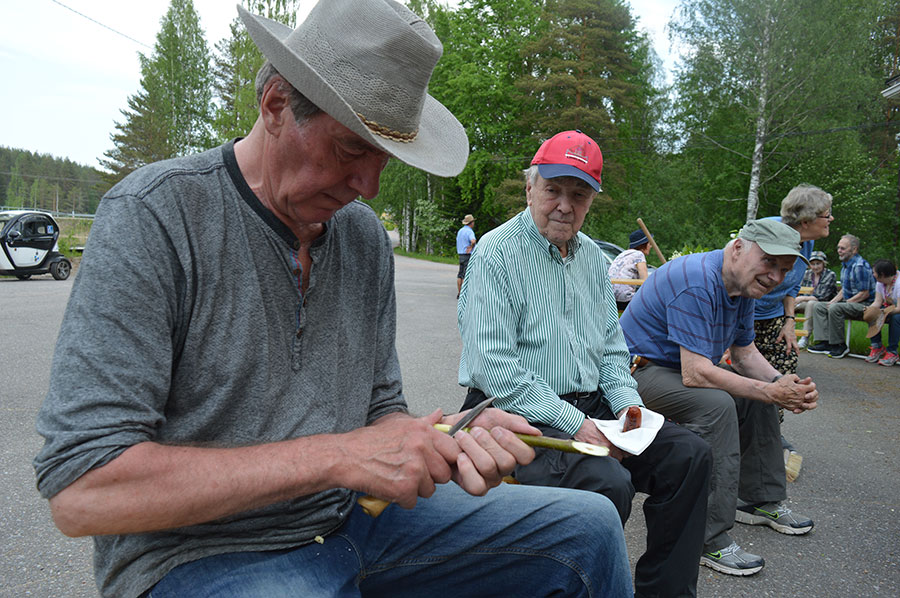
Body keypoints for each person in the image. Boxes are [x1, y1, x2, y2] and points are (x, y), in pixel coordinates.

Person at [32, 3, 633, 598]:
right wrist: (336, 458)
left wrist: (453, 432)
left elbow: (381, 414)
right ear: (275, 106)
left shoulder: (362, 237)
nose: (368, 187)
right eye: (351, 149)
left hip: (360, 522)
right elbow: (83, 490)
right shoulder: (155, 218)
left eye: (384, 158)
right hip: (201, 552)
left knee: (590, 529)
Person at [457, 130, 712, 598]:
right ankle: (576, 587)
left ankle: (665, 593)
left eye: (579, 194)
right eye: (553, 189)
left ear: (591, 199)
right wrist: (578, 426)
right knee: (607, 484)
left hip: (590, 407)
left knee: (689, 456)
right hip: (516, 414)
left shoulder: (594, 258)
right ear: (529, 186)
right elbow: (495, 368)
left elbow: (612, 349)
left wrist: (628, 411)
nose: (564, 205)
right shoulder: (495, 253)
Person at [620, 219, 818, 577]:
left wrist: (782, 384)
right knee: (718, 405)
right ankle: (706, 537)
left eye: (784, 270)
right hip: (634, 374)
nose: (775, 276)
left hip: (674, 370)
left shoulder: (741, 287)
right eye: (769, 262)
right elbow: (695, 373)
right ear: (739, 248)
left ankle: (762, 497)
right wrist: (769, 389)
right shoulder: (696, 278)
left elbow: (744, 354)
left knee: (758, 396)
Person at [751, 184, 832, 480]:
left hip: (774, 315)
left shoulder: (806, 242)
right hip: (746, 312)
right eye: (827, 215)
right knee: (747, 375)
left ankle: (771, 439)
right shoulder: (768, 232)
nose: (830, 220)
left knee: (785, 368)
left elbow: (791, 284)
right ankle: (751, 443)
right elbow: (741, 277)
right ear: (807, 220)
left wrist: (789, 320)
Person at [807, 234, 876, 358]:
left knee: (836, 308)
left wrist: (843, 303)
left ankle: (839, 345)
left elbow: (864, 293)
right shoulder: (846, 266)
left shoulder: (859, 266)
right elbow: (844, 289)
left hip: (865, 305)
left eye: (843, 248)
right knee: (819, 306)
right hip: (851, 302)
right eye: (838, 248)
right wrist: (832, 301)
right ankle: (825, 342)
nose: (839, 250)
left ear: (854, 249)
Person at [796, 250, 838, 349]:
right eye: (812, 264)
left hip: (824, 302)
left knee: (811, 304)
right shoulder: (806, 274)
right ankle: (788, 334)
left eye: (818, 264)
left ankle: (805, 337)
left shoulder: (830, 275)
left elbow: (822, 296)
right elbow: (798, 288)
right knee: (789, 303)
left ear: (824, 264)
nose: (815, 267)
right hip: (806, 301)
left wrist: (801, 298)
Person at [864, 259, 900, 366]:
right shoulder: (880, 283)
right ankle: (877, 346)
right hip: (889, 309)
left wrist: (883, 312)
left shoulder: (898, 283)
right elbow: (877, 301)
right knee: (872, 314)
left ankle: (892, 352)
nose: (873, 274)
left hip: (897, 310)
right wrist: (870, 309)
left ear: (882, 274)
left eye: (874, 272)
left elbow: (899, 308)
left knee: (896, 318)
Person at [608, 228, 652, 311]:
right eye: (649, 243)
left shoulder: (622, 254)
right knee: (652, 304)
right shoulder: (639, 255)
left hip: (610, 298)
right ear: (644, 244)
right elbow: (645, 282)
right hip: (624, 299)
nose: (651, 246)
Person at [456, 214, 476, 298]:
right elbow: (473, 240)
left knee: (460, 274)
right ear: (471, 223)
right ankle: (464, 293)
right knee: (465, 274)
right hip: (467, 254)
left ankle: (459, 292)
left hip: (460, 254)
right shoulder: (469, 231)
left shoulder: (460, 231)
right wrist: (471, 246)